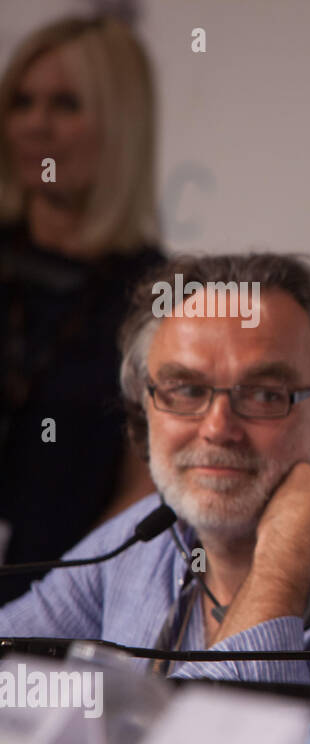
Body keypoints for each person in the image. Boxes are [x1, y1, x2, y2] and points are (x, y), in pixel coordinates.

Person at [0, 253, 310, 701]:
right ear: (144, 409)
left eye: (266, 395)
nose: (217, 429)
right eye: (185, 389)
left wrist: (282, 563)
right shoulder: (145, 536)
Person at [0, 15, 165, 602]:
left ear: (121, 124)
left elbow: (146, 487)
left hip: (51, 616)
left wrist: (60, 601)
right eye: (22, 101)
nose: (35, 125)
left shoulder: (157, 296)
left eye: (66, 105)